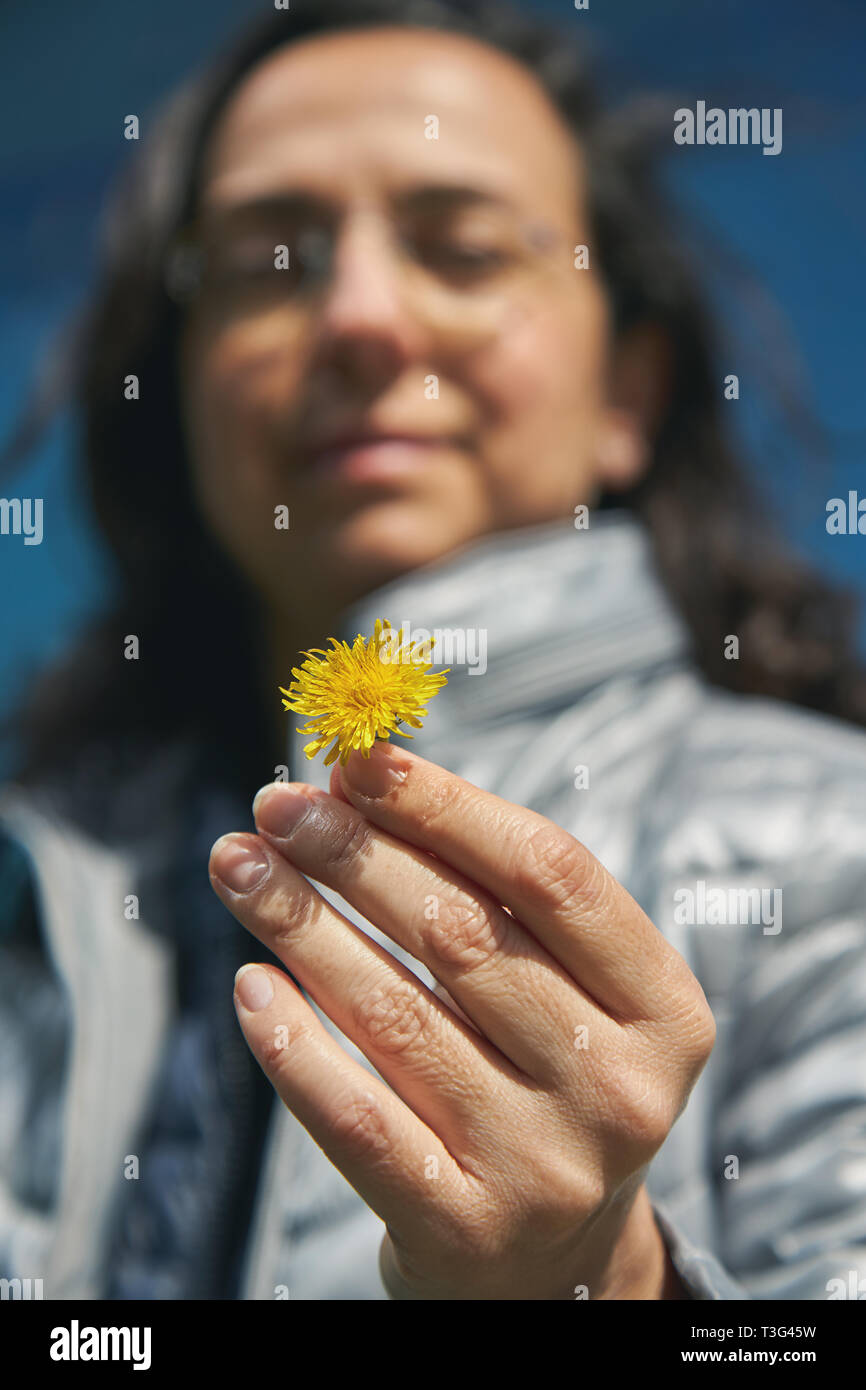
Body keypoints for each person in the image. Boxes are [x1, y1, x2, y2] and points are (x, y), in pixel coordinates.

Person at [1, 0, 865, 1301]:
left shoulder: (829, 839)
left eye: (461, 249)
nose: (359, 316)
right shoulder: (36, 867)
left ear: (625, 396)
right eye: (269, 261)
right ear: (178, 387)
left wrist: (608, 1281)